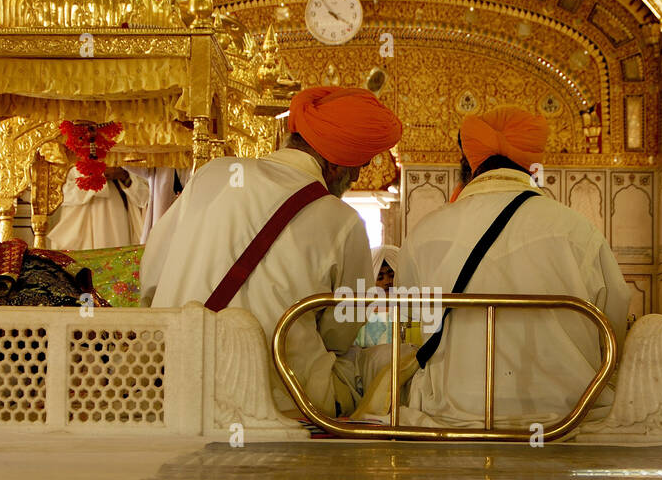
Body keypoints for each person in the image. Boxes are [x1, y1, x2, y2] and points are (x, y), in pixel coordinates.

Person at [141, 86, 402, 415]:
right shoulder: (342, 220)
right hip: (283, 400)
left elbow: (151, 277)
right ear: (335, 166)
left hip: (169, 384)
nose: (356, 178)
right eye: (357, 168)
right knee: (379, 366)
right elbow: (339, 334)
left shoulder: (214, 174)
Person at [395, 106, 630, 427]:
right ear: (532, 168)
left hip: (452, 415)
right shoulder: (577, 230)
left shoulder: (424, 234)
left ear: (468, 167)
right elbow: (612, 327)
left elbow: (410, 330)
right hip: (569, 417)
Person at [48, 163, 149, 251]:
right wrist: (100, 175)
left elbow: (144, 197)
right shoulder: (70, 161)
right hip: (83, 232)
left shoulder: (123, 159)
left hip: (117, 221)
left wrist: (124, 176)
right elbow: (60, 194)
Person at [355, 245, 400, 347]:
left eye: (392, 275)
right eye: (380, 277)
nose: (387, 281)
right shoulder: (358, 315)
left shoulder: (411, 311)